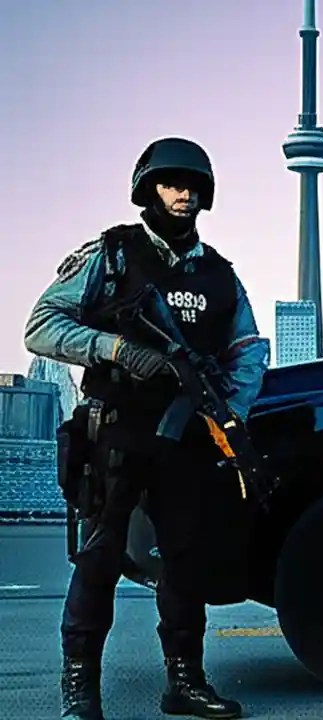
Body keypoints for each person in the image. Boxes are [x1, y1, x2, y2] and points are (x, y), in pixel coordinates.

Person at [25, 137, 269, 720]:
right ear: (149, 190)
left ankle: (184, 682)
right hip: (117, 434)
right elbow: (41, 326)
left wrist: (225, 406)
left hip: (185, 440)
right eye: (170, 183)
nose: (182, 194)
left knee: (186, 562)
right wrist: (113, 348)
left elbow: (248, 350)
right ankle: (80, 690)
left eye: (191, 186)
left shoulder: (221, 276)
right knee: (101, 559)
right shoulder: (110, 256)